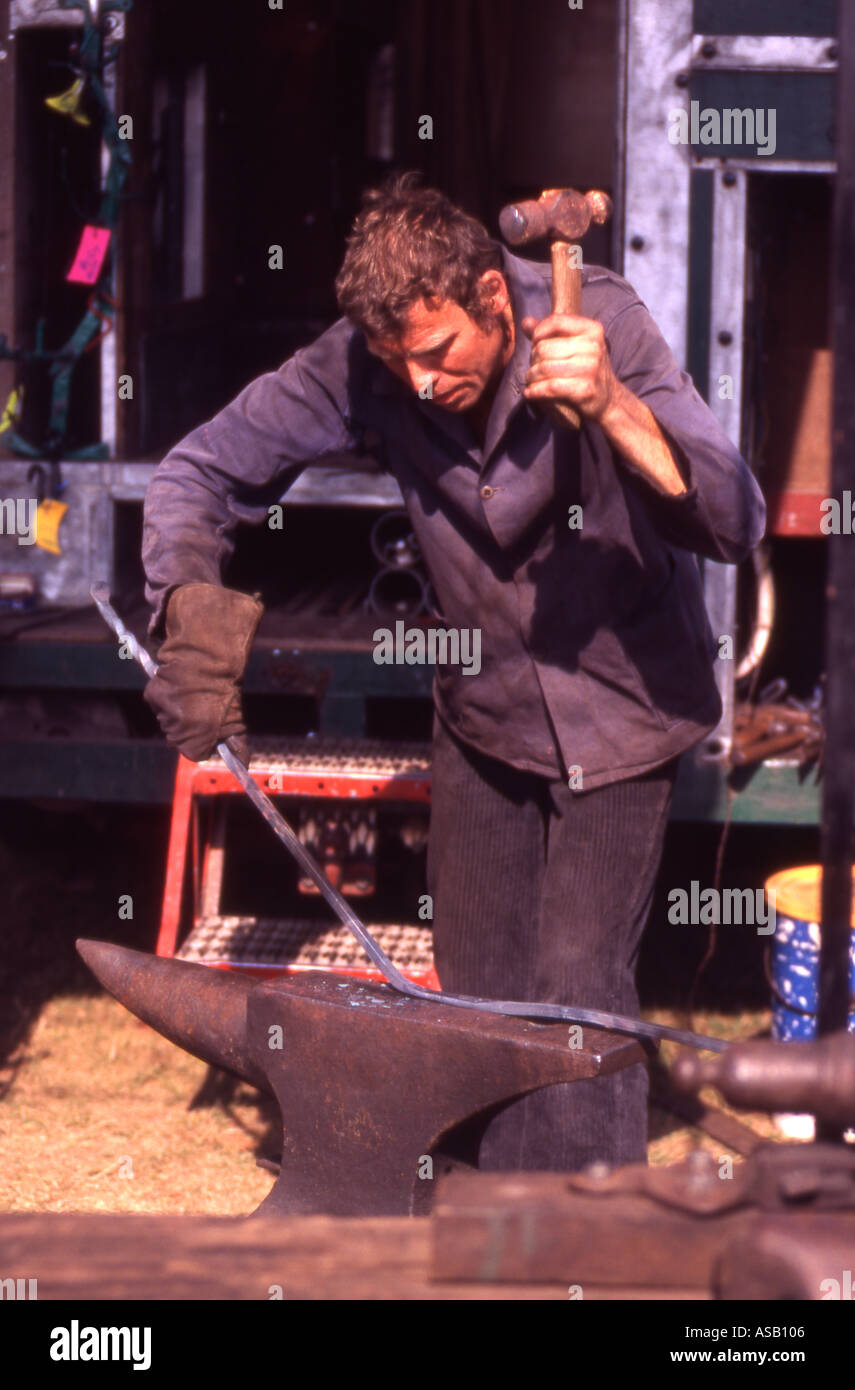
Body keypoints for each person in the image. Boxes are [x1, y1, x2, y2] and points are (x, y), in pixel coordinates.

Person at [142, 171, 766, 1172]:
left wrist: (612, 403)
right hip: (482, 707)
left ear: (493, 297)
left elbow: (735, 517)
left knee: (576, 989)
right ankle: (480, 1209)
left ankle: (581, 1225)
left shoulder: (601, 319)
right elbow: (198, 470)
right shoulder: (371, 359)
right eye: (399, 365)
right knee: (476, 990)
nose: (421, 383)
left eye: (437, 354)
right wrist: (190, 611)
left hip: (623, 706)